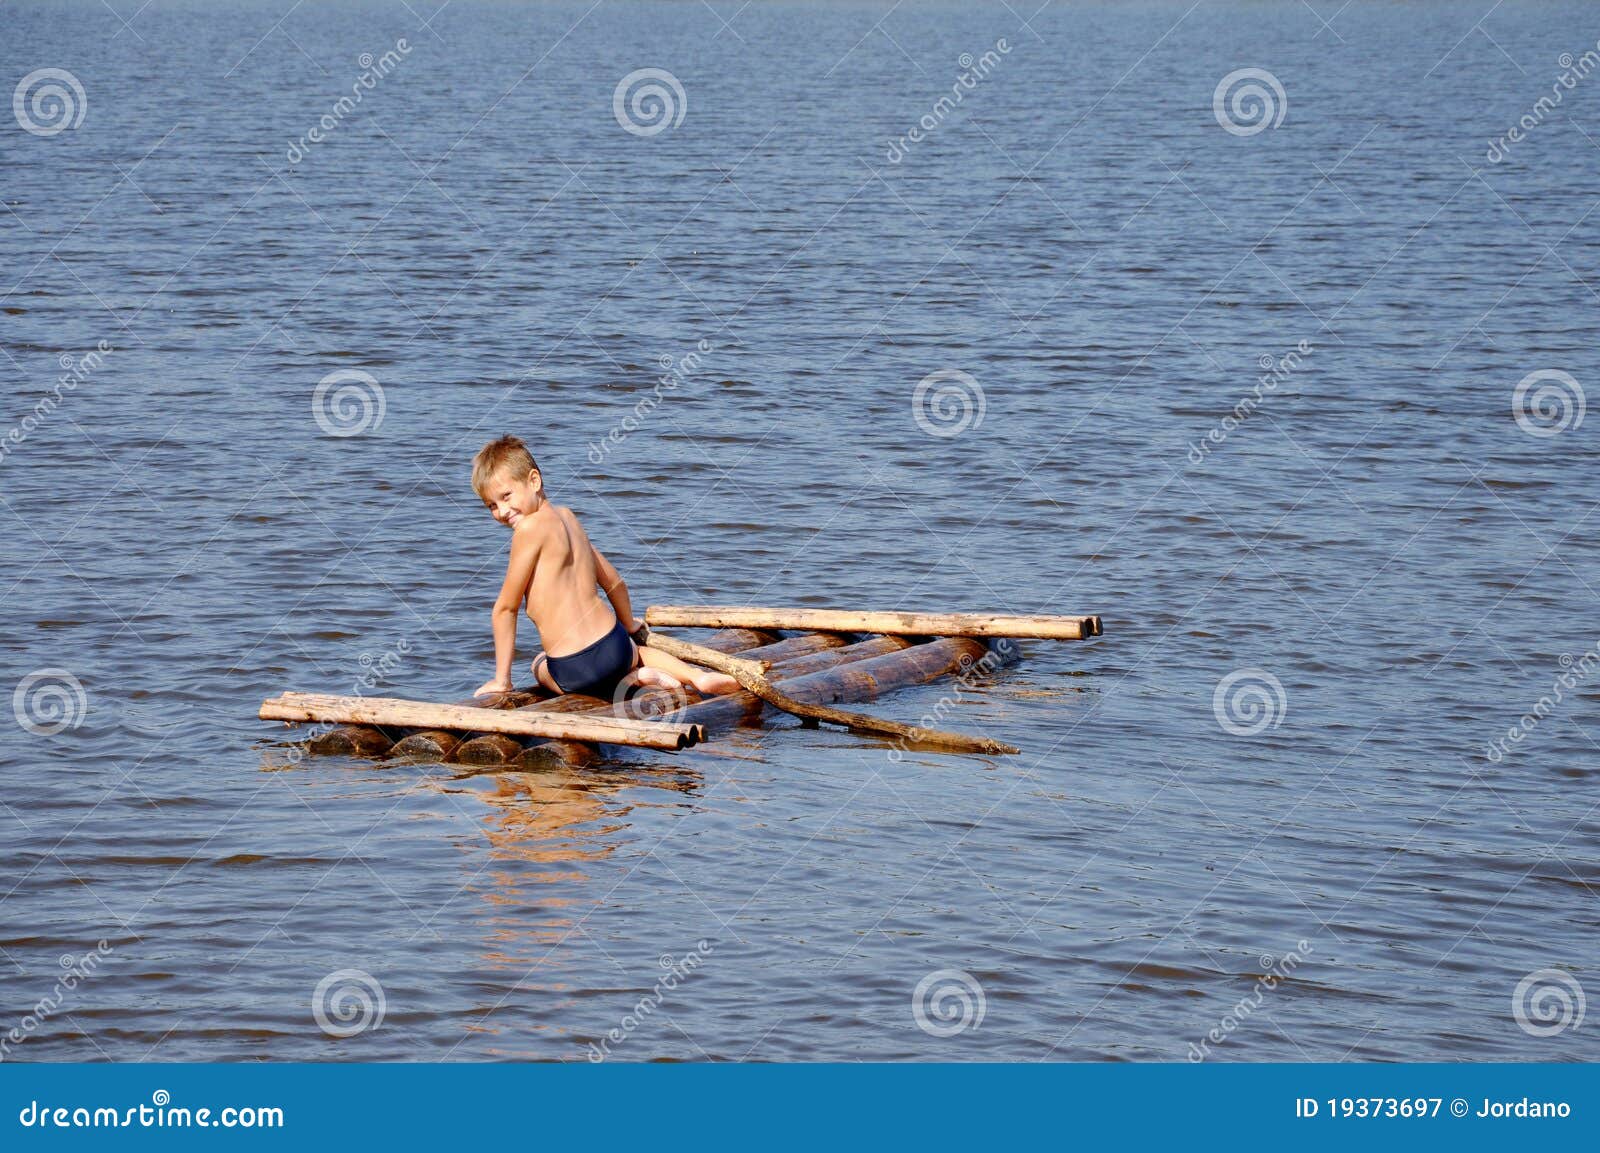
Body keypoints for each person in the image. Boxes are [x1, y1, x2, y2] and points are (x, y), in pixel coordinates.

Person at [469, 435, 738, 701]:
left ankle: (631, 682)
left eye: (506, 496)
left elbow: (506, 609)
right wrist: (630, 624)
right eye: (492, 505)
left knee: (539, 665)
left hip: (574, 666)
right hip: (616, 647)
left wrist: (502, 680)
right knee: (639, 653)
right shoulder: (569, 518)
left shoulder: (528, 529)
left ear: (534, 481)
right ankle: (696, 677)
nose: (502, 511)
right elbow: (613, 581)